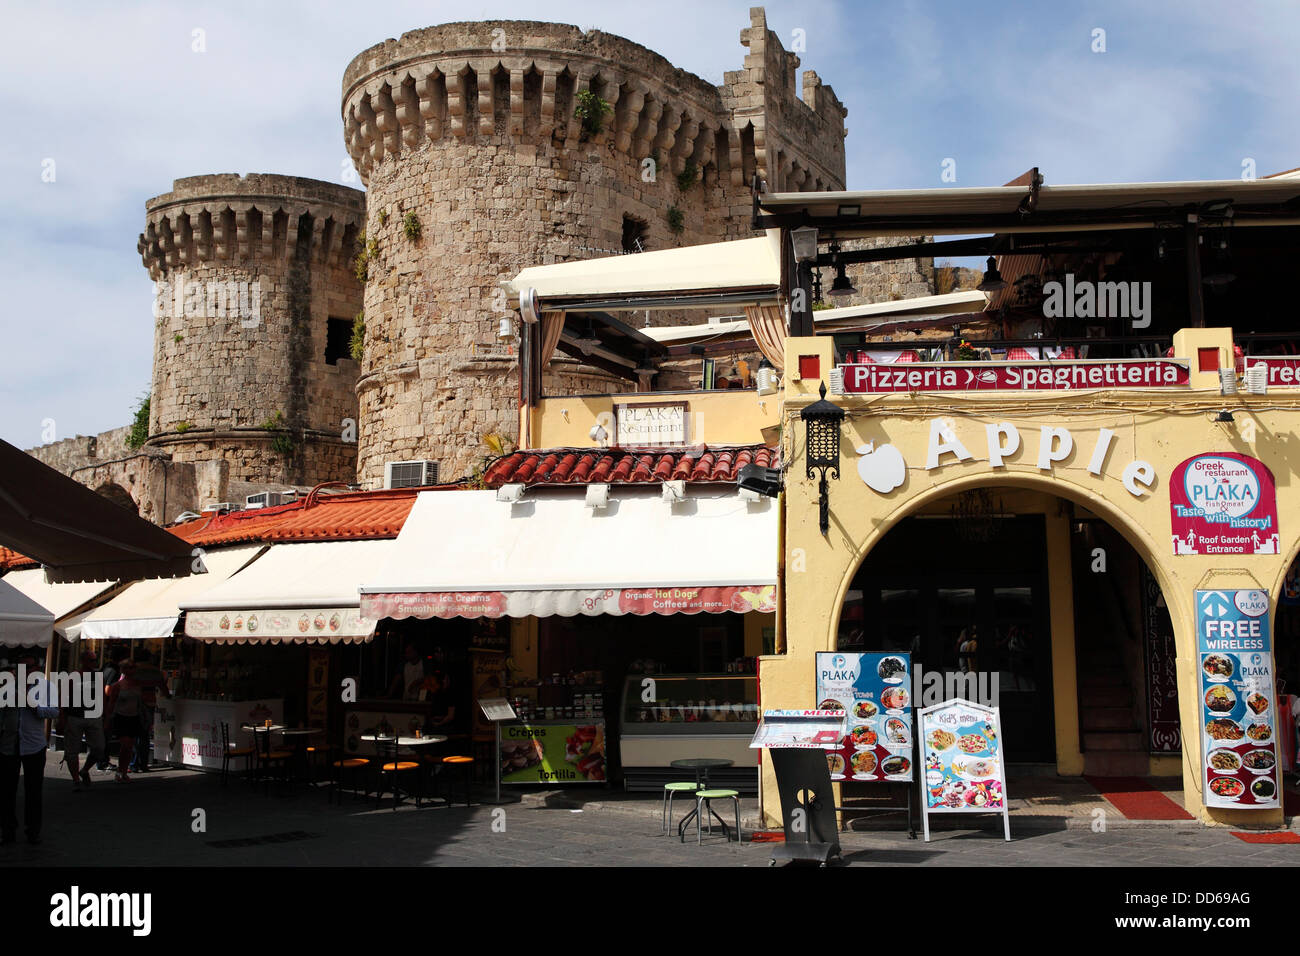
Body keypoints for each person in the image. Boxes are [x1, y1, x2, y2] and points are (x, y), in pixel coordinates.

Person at [0, 651, 59, 844]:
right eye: (21, 667)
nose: (24, 671)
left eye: (29, 667)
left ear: (36, 669)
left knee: (33, 790)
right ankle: (8, 830)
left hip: (33, 744)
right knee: (6, 790)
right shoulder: (6, 687)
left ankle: (32, 830)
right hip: (9, 743)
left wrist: (32, 705)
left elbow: (54, 711)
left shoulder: (45, 687)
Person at [57, 651, 106, 791]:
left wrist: (105, 716)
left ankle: (84, 770)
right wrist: (62, 718)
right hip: (75, 716)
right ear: (83, 661)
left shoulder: (98, 677)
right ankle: (76, 780)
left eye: (95, 660)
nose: (95, 663)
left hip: (94, 716)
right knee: (72, 751)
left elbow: (102, 696)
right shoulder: (74, 677)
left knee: (99, 747)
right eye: (92, 660)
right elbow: (63, 698)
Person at [104, 660, 144, 783]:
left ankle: (123, 771)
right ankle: (120, 771)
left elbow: (140, 702)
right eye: (128, 667)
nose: (131, 670)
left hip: (134, 717)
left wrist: (144, 717)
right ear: (123, 670)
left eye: (133, 667)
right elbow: (111, 703)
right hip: (121, 717)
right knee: (126, 744)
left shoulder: (138, 684)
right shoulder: (117, 686)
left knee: (129, 746)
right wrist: (107, 719)